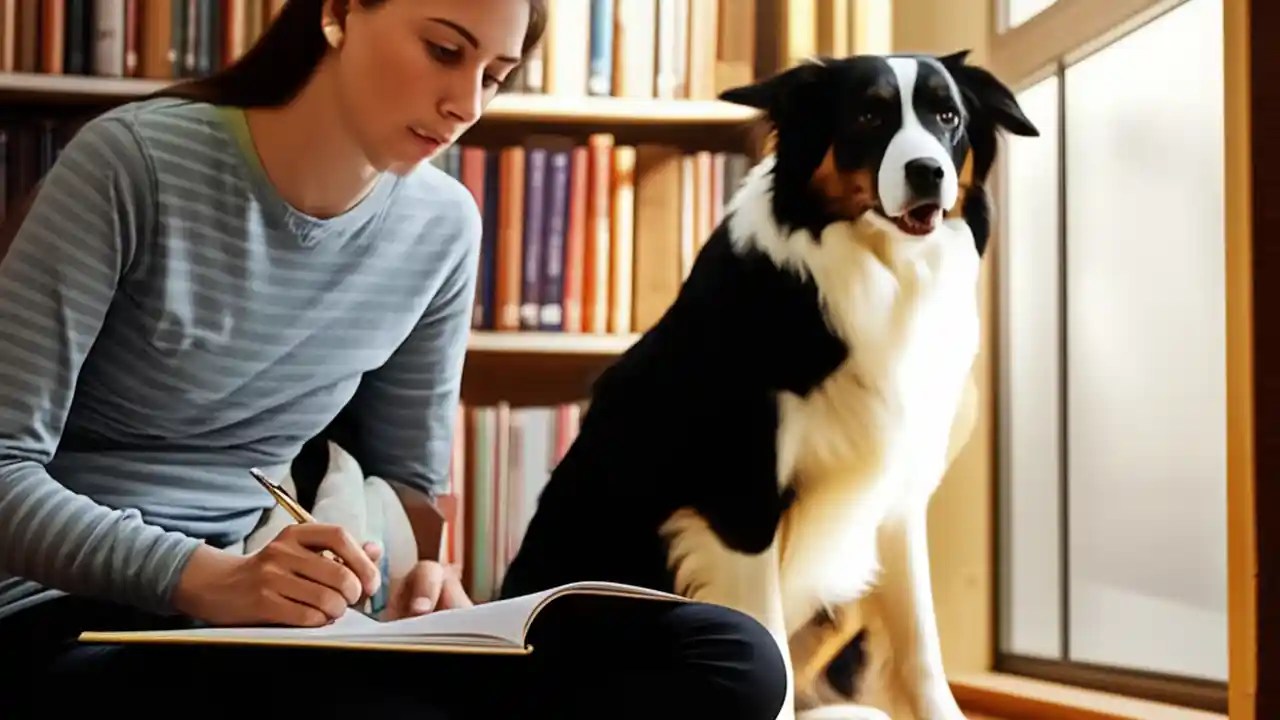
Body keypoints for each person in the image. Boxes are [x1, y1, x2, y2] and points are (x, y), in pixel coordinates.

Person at [0, 0, 789, 717]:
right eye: (445, 51)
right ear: (340, 11)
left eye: (496, 74)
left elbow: (408, 484)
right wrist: (211, 579)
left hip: (275, 616)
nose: (468, 104)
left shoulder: (443, 226)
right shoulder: (130, 163)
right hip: (68, 611)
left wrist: (425, 581)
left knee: (732, 659)